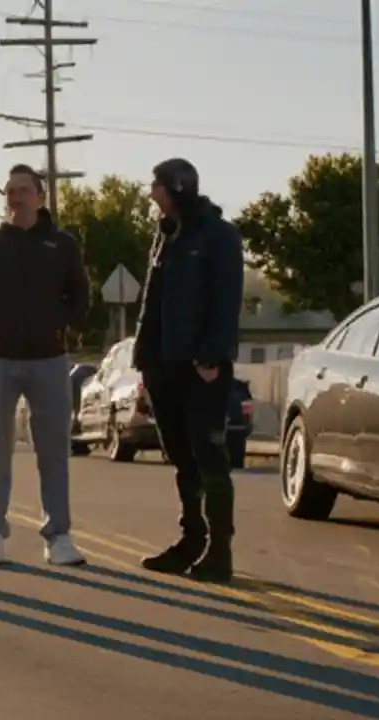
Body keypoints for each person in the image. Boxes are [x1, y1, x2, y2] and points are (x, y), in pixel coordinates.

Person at [0, 164, 91, 567]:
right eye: (9, 191)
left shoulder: (62, 245)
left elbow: (80, 296)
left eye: (22, 190)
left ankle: (58, 537)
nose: (14, 197)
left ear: (40, 196)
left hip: (48, 361)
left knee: (52, 451)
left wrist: (62, 327)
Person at [132, 158, 244, 582]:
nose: (151, 193)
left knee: (209, 457)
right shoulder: (165, 236)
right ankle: (190, 540)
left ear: (176, 187)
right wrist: (143, 356)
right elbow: (152, 301)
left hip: (201, 368)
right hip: (162, 365)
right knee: (182, 459)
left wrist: (211, 356)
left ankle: (219, 550)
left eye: (156, 185)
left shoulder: (218, 236)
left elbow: (225, 299)